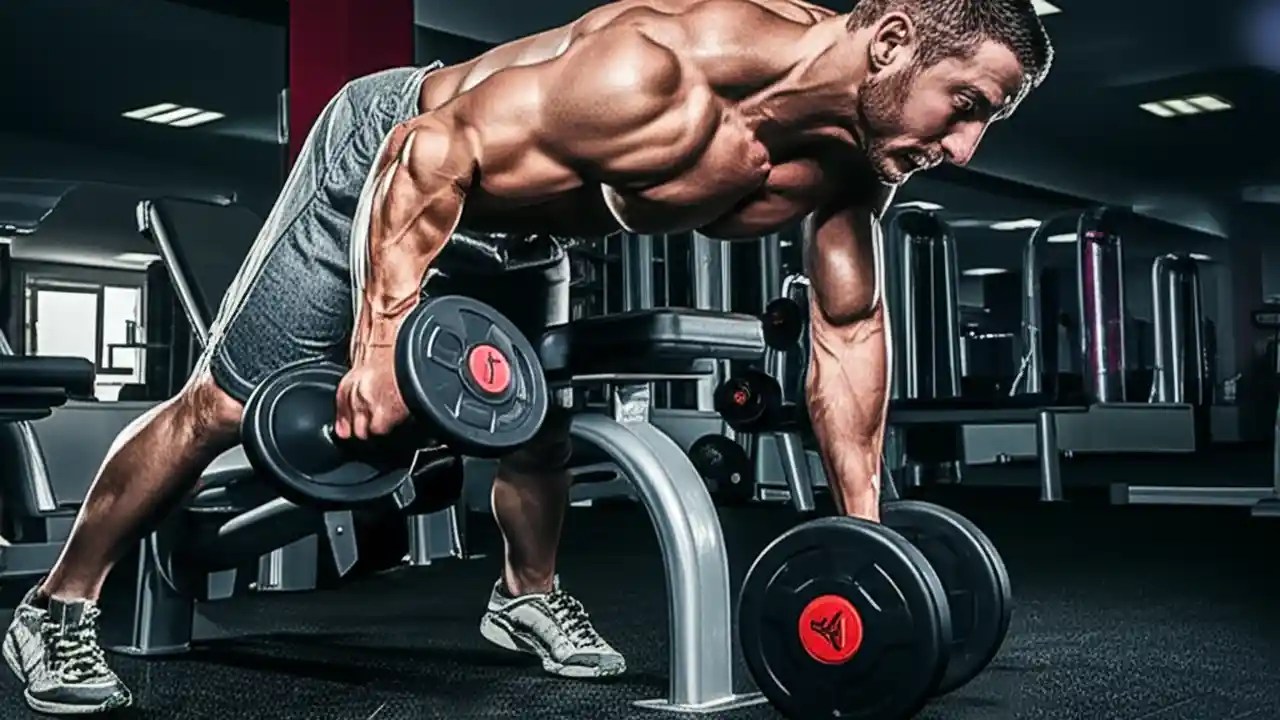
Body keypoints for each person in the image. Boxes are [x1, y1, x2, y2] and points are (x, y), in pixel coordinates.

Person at [5, 0, 1052, 713]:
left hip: (524, 224)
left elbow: (847, 327)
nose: (962, 150)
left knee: (531, 420)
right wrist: (376, 349)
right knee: (226, 404)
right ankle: (57, 605)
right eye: (965, 107)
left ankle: (523, 597)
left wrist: (862, 531)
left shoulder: (852, 165)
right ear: (893, 42)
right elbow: (432, 157)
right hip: (394, 156)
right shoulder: (658, 67)